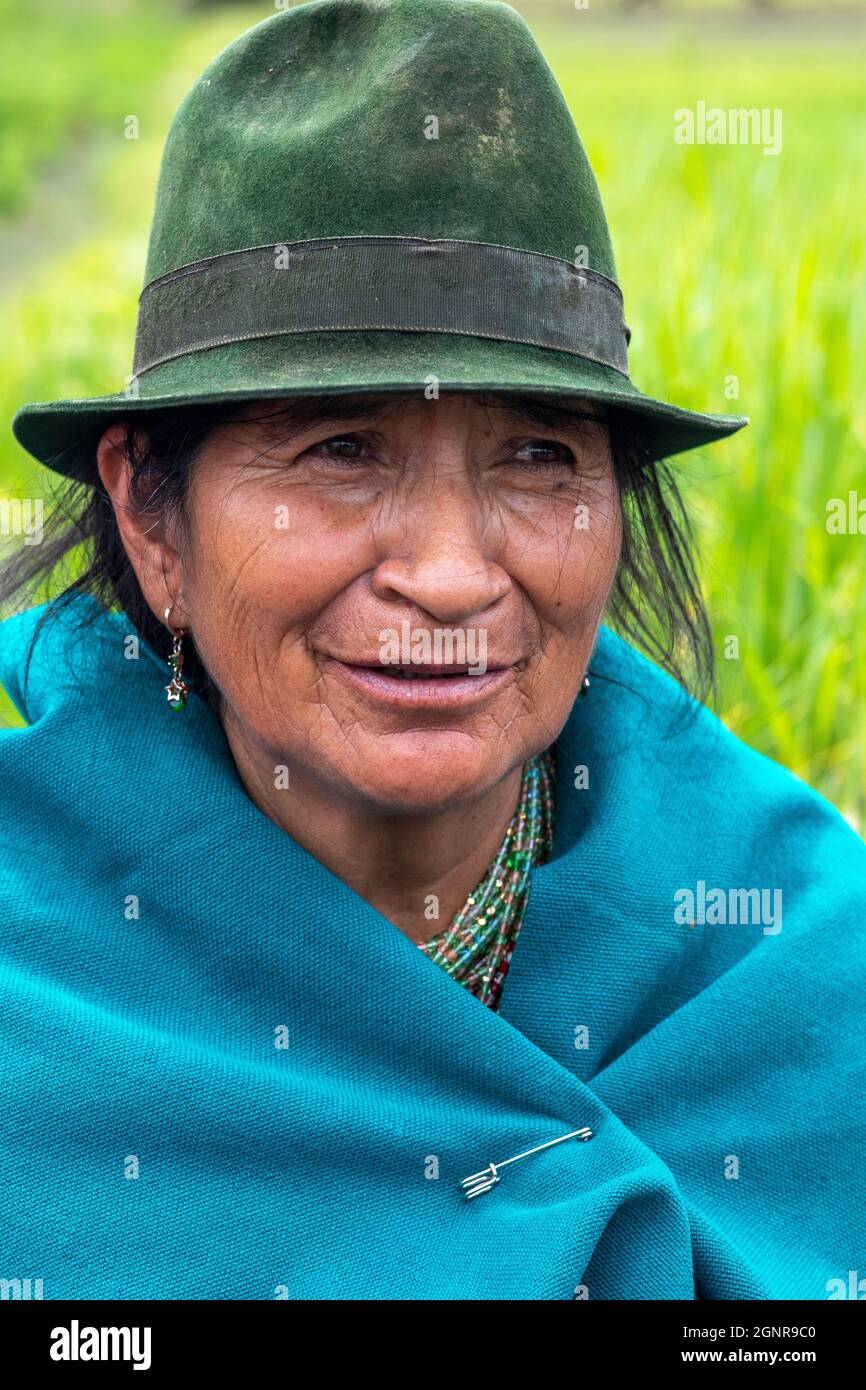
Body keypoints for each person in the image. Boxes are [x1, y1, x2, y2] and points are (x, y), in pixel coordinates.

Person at [1, 0, 863, 1301]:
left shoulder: (794, 948)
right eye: (341, 452)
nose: (452, 574)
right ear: (152, 515)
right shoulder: (38, 975)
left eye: (535, 457)